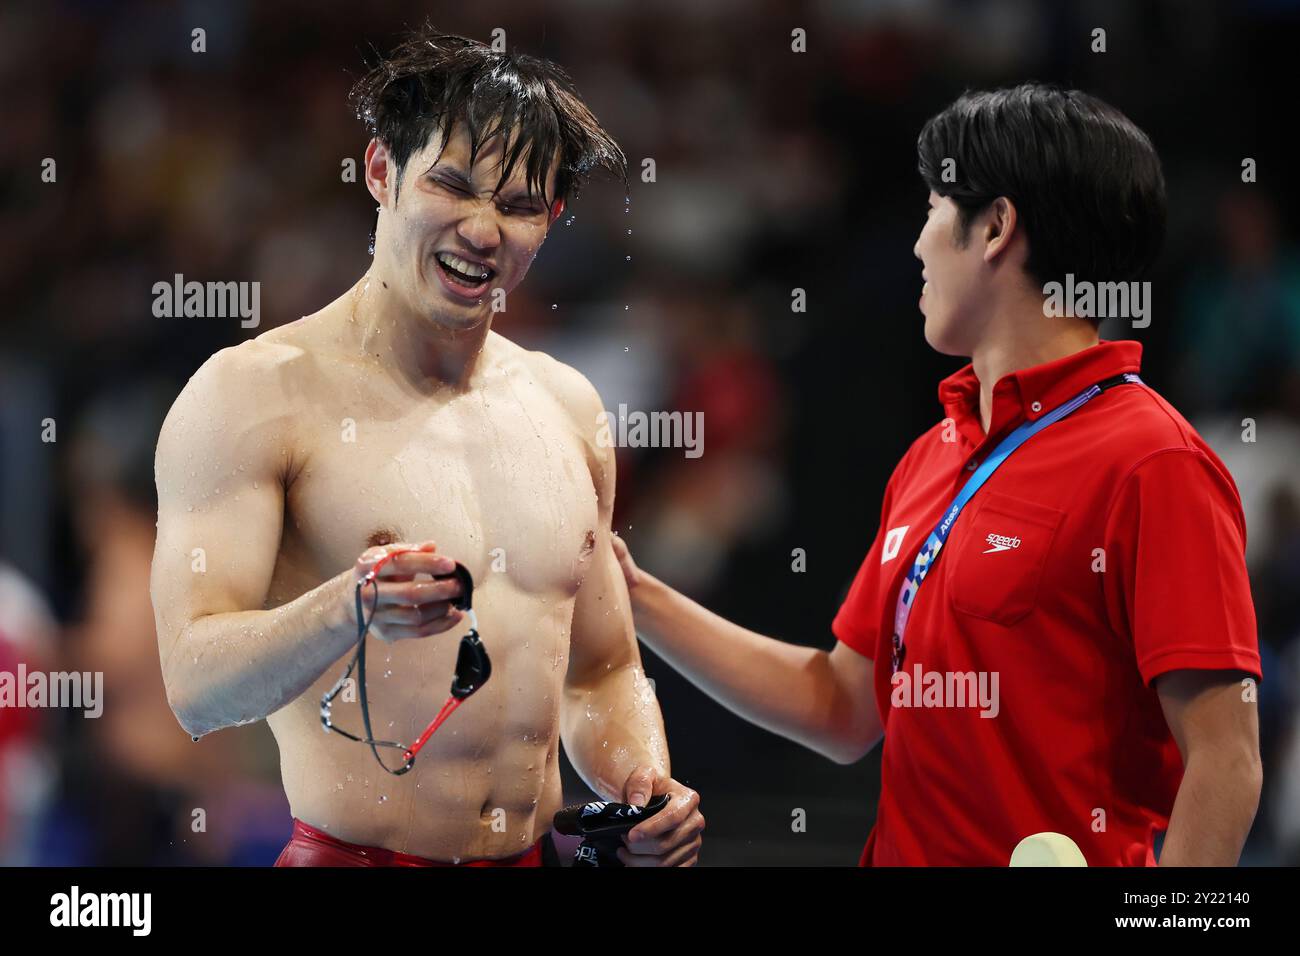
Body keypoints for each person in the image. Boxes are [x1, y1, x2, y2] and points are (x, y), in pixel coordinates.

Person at [612, 84, 1261, 866]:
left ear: (996, 227)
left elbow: (1226, 760)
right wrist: (633, 593)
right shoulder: (934, 455)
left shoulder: (1156, 463)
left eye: (933, 208)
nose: (918, 246)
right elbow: (843, 706)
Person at [151, 28, 703, 867]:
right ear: (381, 171)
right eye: (451, 186)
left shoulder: (567, 407)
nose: (483, 229)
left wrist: (642, 786)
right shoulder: (252, 397)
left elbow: (601, 672)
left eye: (518, 206)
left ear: (551, 219)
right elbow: (195, 687)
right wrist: (345, 609)